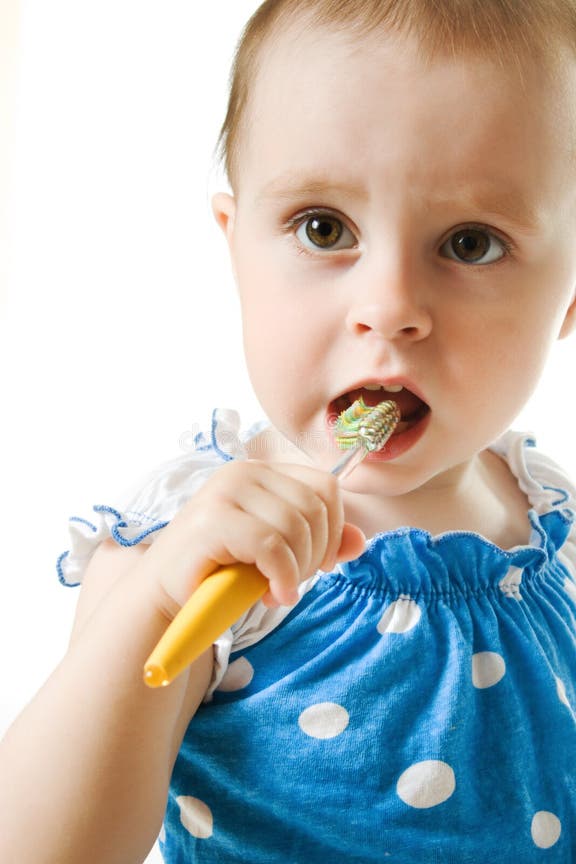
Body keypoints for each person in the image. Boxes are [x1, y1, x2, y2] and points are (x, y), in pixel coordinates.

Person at [2, 0, 576, 860]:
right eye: (324, 228)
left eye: (469, 244)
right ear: (235, 249)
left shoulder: (549, 518)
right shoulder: (195, 551)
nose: (389, 308)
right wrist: (160, 595)